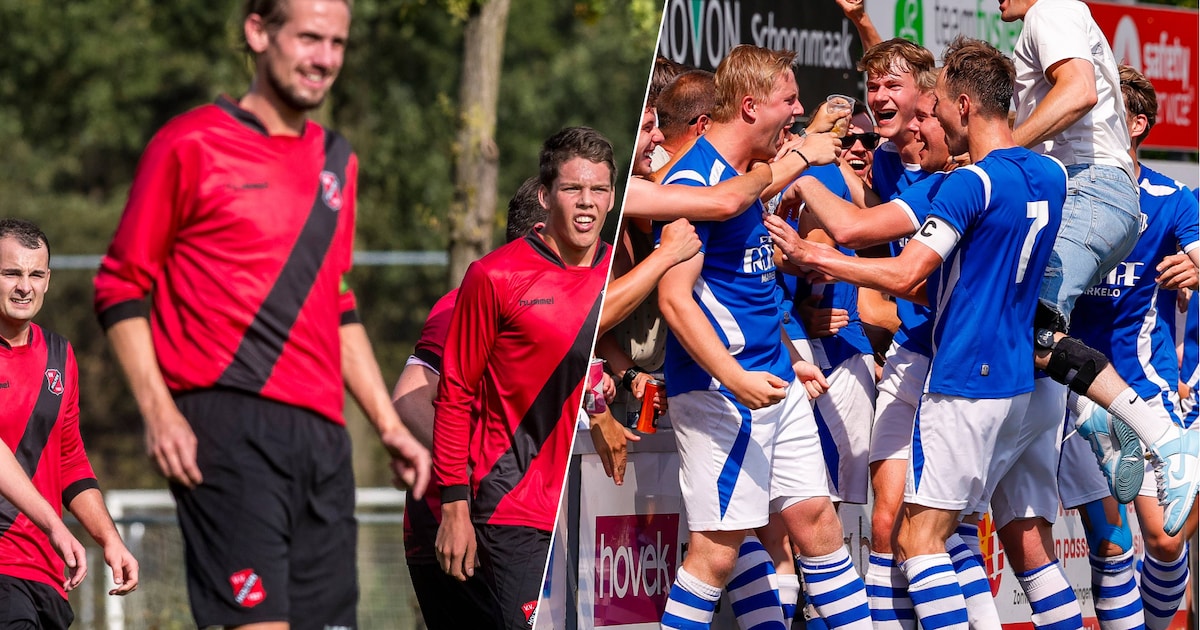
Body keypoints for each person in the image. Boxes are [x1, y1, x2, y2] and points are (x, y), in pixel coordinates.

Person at [92, 1, 431, 627]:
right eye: (309, 38)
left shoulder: (338, 160)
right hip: (225, 424)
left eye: (337, 43)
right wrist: (159, 410)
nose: (325, 59)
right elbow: (119, 286)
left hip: (323, 438)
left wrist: (387, 425)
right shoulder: (188, 143)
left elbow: (338, 303)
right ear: (257, 32)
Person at [770, 37, 1078, 630]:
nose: (926, 121)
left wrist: (818, 256)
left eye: (933, 110)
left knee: (919, 538)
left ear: (961, 106)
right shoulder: (1049, 173)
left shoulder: (970, 184)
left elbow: (908, 273)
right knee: (945, 531)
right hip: (1018, 381)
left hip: (965, 374)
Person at [656, 45, 870, 630]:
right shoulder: (692, 182)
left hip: (775, 379)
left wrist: (787, 358)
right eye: (789, 100)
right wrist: (736, 376)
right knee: (716, 554)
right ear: (749, 106)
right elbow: (675, 299)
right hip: (722, 393)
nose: (798, 111)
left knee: (820, 528)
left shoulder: (748, 174)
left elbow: (750, 283)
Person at [1002, 0, 1199, 535]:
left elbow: (1079, 91)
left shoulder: (1052, 10)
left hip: (1090, 193)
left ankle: (1156, 434)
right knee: (1030, 328)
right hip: (1088, 198)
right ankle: (1101, 420)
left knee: (1031, 327)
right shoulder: (1055, 20)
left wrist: (1000, 153)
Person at [433, 127, 615, 630]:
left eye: (598, 190)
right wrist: (454, 506)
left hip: (587, 493)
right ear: (545, 195)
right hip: (512, 502)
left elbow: (595, 358)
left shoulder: (614, 271)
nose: (586, 203)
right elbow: (454, 394)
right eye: (572, 189)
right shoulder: (494, 276)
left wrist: (613, 384)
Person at [1053, 64, 1199, 630]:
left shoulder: (1171, 197)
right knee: (1110, 544)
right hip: (1067, 388)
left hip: (1143, 386)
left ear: (1135, 123)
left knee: (1163, 540)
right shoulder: (1061, 185)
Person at [395, 178, 549, 629]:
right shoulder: (470, 301)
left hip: (506, 526)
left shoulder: (547, 308)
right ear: (541, 232)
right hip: (457, 530)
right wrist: (472, 485)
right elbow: (409, 396)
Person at [1, 219, 138, 629]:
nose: (24, 286)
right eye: (10, 273)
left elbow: (70, 460)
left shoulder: (60, 355)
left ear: (48, 281)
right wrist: (55, 525)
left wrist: (109, 539)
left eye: (35, 274)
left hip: (48, 572)